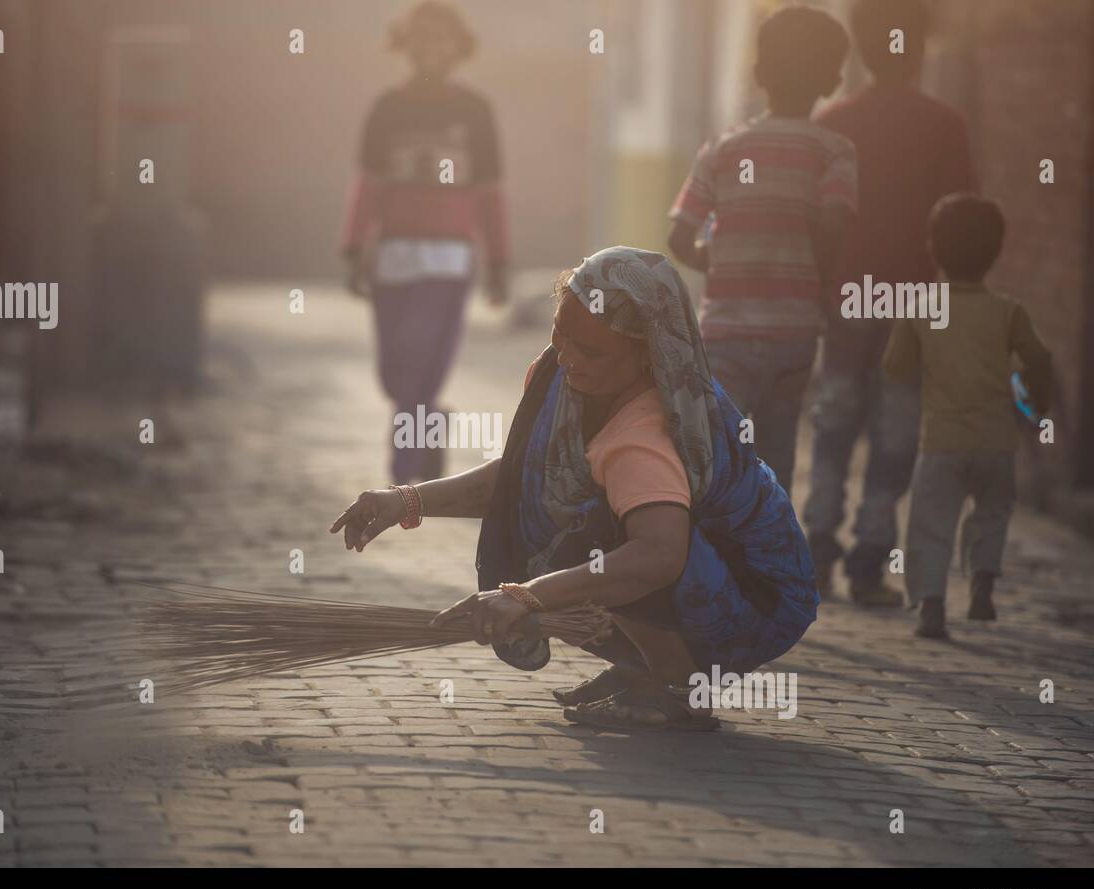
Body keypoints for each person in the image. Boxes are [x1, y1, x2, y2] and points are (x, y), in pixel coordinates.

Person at [331, 248, 818, 731]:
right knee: (574, 535)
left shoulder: (645, 436)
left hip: (755, 600)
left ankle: (677, 686)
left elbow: (659, 555)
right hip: (699, 572)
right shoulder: (570, 380)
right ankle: (641, 665)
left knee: (591, 544)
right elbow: (525, 476)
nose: (567, 359)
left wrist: (527, 596)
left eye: (590, 351)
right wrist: (407, 500)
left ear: (648, 353)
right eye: (560, 336)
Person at [804, 0, 977, 606]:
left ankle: (816, 554)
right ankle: (871, 565)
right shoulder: (944, 125)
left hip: (848, 294)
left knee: (833, 426)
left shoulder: (835, 120)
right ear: (921, 46)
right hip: (914, 300)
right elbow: (960, 222)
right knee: (895, 435)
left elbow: (816, 220)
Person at [668, 4, 856, 500]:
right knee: (777, 455)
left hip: (726, 331)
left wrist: (725, 258)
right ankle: (771, 567)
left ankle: (707, 561)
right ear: (833, 80)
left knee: (715, 454)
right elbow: (833, 231)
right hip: (794, 332)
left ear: (758, 74)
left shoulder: (724, 149)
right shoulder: (834, 151)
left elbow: (679, 239)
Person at [341, 1, 509, 484]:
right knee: (395, 371)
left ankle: (405, 473)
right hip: (392, 256)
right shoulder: (387, 108)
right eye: (422, 38)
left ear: (460, 48)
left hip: (450, 259)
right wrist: (354, 250)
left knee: (420, 358)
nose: (432, 48)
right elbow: (367, 185)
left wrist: (498, 263)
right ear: (405, 44)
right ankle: (430, 424)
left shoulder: (476, 112)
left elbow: (490, 194)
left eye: (442, 39)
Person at [883, 195, 1052, 639]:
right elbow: (1040, 360)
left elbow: (895, 367)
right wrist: (1038, 406)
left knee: (930, 524)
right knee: (993, 513)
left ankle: (932, 607)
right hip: (997, 445)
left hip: (941, 443)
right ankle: (983, 583)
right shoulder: (1008, 311)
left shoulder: (921, 306)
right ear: (996, 252)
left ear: (932, 248)